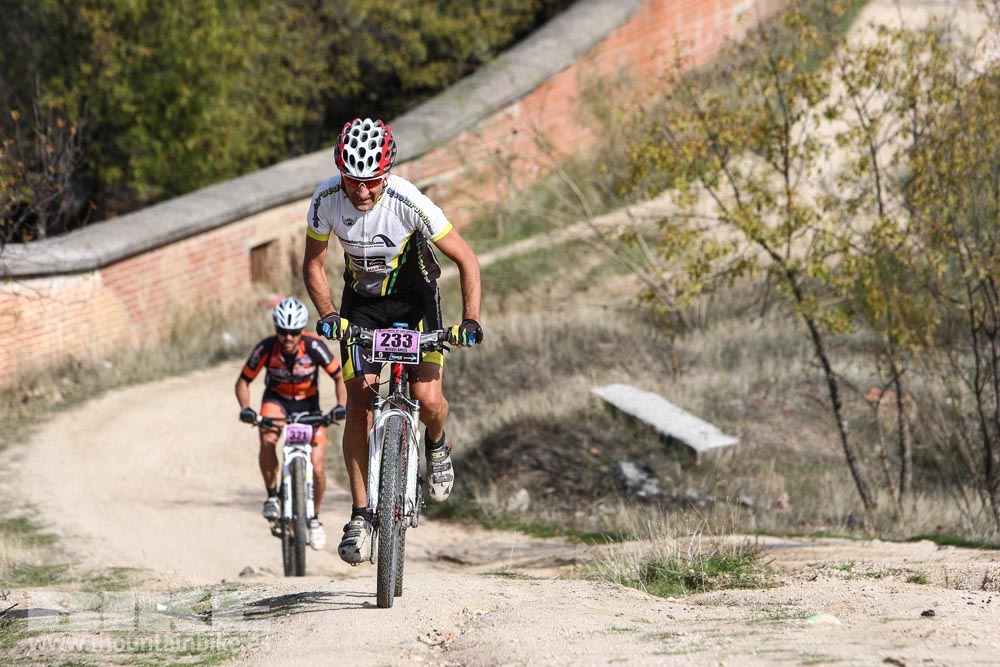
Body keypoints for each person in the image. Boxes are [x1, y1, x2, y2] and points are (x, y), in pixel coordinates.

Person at [302, 117, 483, 565]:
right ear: (339, 172)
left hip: (415, 300)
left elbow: (467, 259)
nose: (361, 191)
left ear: (387, 173)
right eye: (352, 180)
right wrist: (327, 315)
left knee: (427, 395)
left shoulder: (408, 200)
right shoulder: (326, 199)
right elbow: (313, 263)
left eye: (371, 182)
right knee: (358, 405)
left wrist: (470, 319)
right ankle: (361, 515)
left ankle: (437, 445)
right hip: (360, 305)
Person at [235, 296, 348, 551]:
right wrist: (246, 409)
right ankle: (272, 495)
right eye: (283, 332)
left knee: (318, 468)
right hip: (277, 402)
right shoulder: (265, 349)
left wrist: (340, 406)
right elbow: (243, 381)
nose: (288, 339)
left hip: (309, 407)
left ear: (301, 331)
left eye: (294, 333)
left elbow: (339, 376)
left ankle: (314, 518)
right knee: (267, 439)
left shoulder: (314, 346)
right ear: (276, 330)